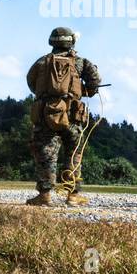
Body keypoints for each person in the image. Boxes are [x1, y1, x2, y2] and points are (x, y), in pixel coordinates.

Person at [25, 27, 101, 207]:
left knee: (46, 155)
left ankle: (44, 196)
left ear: (52, 42)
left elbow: (31, 82)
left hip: (47, 116)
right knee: (74, 154)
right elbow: (95, 82)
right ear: (71, 42)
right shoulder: (81, 62)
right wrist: (83, 91)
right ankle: (72, 196)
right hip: (73, 117)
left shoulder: (41, 62)